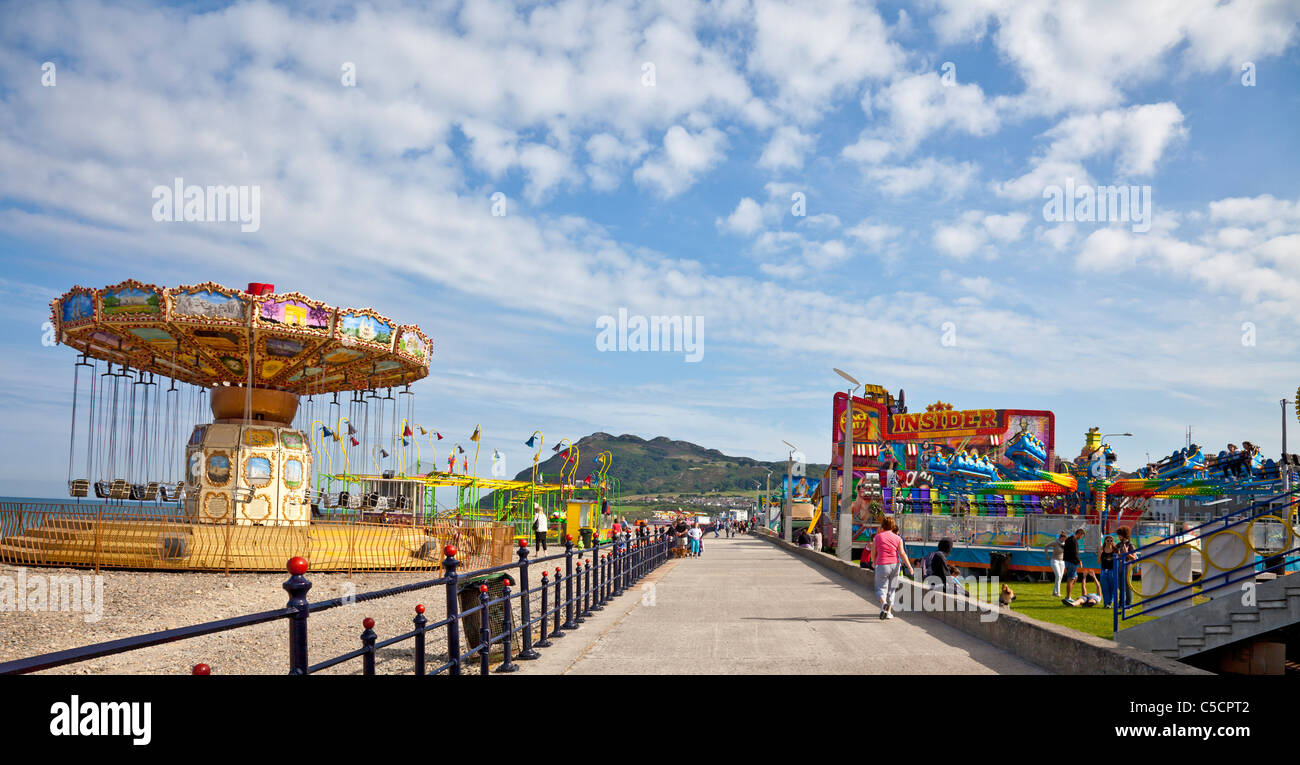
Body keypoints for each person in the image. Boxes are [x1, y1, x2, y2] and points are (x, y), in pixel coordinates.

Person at [871, 517, 913, 620]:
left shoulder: (877, 537)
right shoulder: (898, 538)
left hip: (882, 564)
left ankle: (883, 604)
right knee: (892, 589)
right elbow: (902, 554)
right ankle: (888, 612)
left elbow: (873, 552)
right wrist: (910, 567)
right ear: (893, 526)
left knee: (881, 588)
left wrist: (874, 562)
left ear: (882, 526)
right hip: (895, 565)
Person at [1061, 528, 1088, 604]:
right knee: (1071, 579)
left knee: (1075, 578)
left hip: (1068, 561)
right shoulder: (1074, 540)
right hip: (1071, 562)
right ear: (1079, 533)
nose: (1081, 538)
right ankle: (1068, 597)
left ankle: (1068, 596)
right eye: (1082, 536)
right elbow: (1075, 553)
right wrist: (1079, 561)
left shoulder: (1069, 539)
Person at [1114, 525, 1136, 608]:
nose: (1119, 536)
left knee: (1127, 587)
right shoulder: (1118, 544)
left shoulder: (1130, 545)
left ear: (1124, 535)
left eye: (1120, 535)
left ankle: (1128, 604)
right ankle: (1121, 603)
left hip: (1128, 567)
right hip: (1119, 567)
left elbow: (1134, 558)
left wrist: (1127, 552)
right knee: (1120, 586)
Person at [1098, 535, 1117, 608]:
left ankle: (1109, 603)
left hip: (1112, 571)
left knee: (1112, 588)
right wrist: (1100, 554)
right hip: (1103, 571)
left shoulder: (1115, 549)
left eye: (1111, 540)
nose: (1109, 542)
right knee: (1105, 588)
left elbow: (1119, 558)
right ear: (1105, 541)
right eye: (1108, 540)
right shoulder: (1102, 549)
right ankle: (1106, 604)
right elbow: (1098, 562)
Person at [1045, 531, 1067, 596]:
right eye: (1063, 538)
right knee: (1058, 575)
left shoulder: (1065, 544)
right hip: (1055, 560)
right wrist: (1047, 556)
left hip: (1062, 561)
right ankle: (1058, 593)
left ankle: (1054, 592)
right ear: (1060, 538)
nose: (1064, 540)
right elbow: (1046, 546)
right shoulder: (1055, 542)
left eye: (1065, 539)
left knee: (1060, 577)